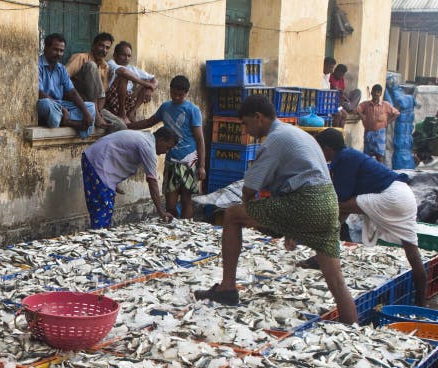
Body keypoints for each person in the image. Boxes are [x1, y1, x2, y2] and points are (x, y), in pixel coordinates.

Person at [192, 95, 358, 325]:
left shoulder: (274, 140)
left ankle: (227, 287)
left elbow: (250, 188)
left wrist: (250, 213)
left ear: (258, 117)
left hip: (306, 202)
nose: (247, 130)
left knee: (232, 215)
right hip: (328, 204)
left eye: (246, 123)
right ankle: (352, 327)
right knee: (336, 280)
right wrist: (288, 227)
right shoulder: (297, 133)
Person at [315, 128, 426, 306]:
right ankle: (421, 302)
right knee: (411, 249)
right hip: (404, 194)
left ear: (327, 148)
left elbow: (341, 196)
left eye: (319, 149)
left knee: (339, 206)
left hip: (391, 197)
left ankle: (323, 250)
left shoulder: (343, 158)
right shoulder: (348, 155)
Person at [129, 75, 206, 219]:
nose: (176, 97)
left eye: (180, 95)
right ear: (170, 90)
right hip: (171, 161)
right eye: (174, 93)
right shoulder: (165, 107)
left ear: (186, 93)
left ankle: (186, 231)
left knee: (186, 200)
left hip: (189, 161)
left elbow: (200, 140)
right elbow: (149, 122)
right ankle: (171, 232)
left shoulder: (193, 110)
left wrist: (201, 166)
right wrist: (128, 126)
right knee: (170, 202)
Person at [80, 127, 178, 228]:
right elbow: (152, 181)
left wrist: (112, 182)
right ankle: (99, 237)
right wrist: (161, 211)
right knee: (102, 206)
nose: (166, 151)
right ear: (161, 139)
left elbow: (117, 154)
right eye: (167, 147)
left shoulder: (145, 138)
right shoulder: (148, 146)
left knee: (103, 205)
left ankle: (100, 233)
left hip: (94, 159)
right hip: (97, 163)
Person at [37, 33, 96, 138]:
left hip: (59, 105)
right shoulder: (37, 65)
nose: (59, 54)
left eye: (61, 51)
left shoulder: (61, 68)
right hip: (47, 104)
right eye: (55, 49)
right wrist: (62, 108)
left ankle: (68, 122)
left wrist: (86, 112)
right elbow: (39, 93)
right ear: (45, 48)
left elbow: (72, 92)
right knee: (46, 104)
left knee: (90, 107)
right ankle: (69, 122)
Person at [65, 32, 126, 132]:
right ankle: (96, 117)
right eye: (101, 46)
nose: (104, 50)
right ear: (93, 46)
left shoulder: (105, 66)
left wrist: (98, 110)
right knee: (91, 66)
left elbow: (102, 94)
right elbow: (63, 77)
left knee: (121, 126)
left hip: (96, 106)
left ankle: (105, 145)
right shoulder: (81, 57)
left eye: (107, 48)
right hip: (78, 100)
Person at [104, 41, 158, 123]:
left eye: (129, 56)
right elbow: (123, 72)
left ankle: (131, 113)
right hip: (112, 97)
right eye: (123, 55)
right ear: (115, 55)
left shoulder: (132, 68)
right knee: (123, 77)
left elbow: (154, 79)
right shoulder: (110, 63)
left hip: (128, 98)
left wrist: (150, 89)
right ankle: (121, 114)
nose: (126, 58)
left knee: (146, 81)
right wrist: (146, 84)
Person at [357, 84, 400, 163]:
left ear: (380, 94)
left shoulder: (385, 105)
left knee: (379, 156)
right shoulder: (366, 104)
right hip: (368, 133)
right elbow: (358, 108)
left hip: (380, 133)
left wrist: (388, 122)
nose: (376, 94)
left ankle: (380, 173)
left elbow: (396, 113)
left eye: (378, 92)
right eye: (374, 91)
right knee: (367, 157)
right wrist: (362, 116)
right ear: (371, 93)